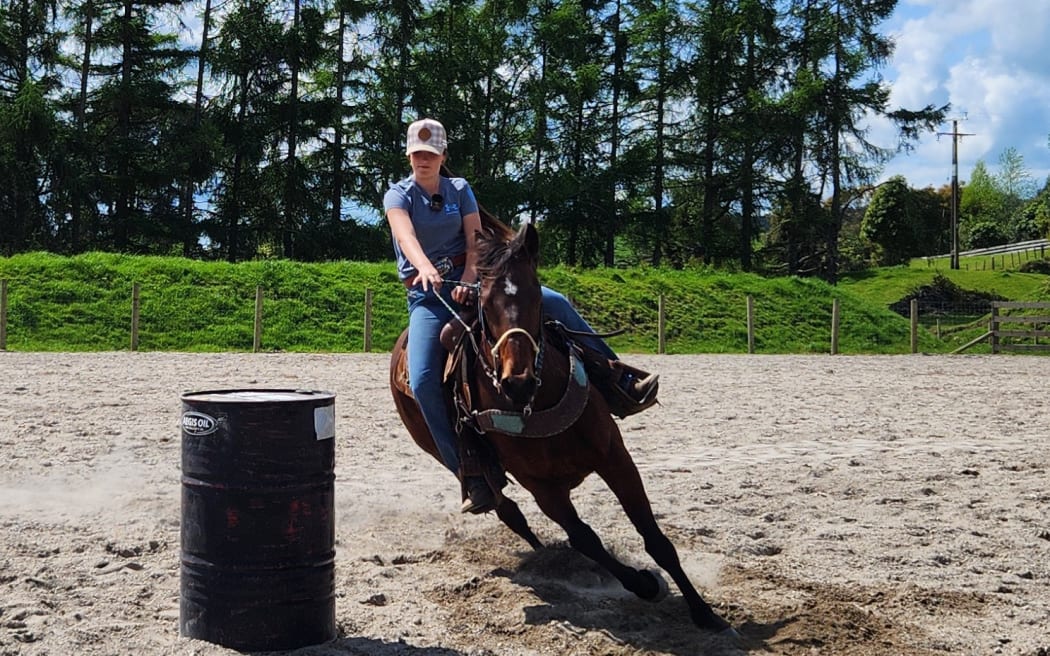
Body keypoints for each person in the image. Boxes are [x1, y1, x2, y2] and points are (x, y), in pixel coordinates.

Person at [384, 118, 658, 514]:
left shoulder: (460, 190)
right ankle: (471, 471)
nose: (422, 160)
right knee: (425, 379)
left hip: (476, 285)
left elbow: (477, 241)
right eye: (416, 154)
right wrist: (424, 267)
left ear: (443, 157)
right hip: (427, 298)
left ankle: (617, 378)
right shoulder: (399, 195)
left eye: (430, 154)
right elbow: (404, 234)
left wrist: (467, 277)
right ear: (409, 156)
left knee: (557, 301)